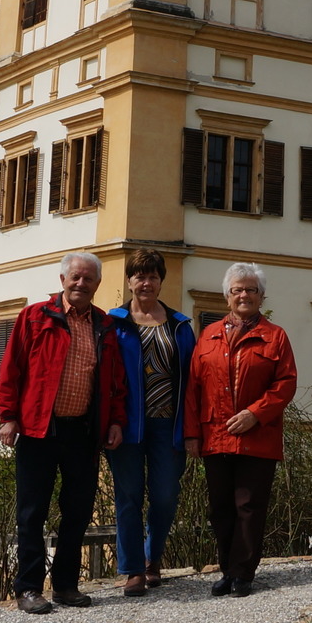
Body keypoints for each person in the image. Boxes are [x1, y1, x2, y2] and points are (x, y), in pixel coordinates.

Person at [0, 252, 128, 614]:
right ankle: (28, 589)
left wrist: (115, 421)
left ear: (97, 285)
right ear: (63, 280)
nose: (81, 284)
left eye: (88, 279)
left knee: (77, 511)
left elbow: (115, 382)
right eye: (75, 278)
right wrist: (8, 416)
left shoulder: (104, 326)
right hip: (39, 429)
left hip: (83, 431)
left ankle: (66, 586)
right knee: (31, 512)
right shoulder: (35, 317)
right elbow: (11, 369)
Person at [184, 262, 297, 597]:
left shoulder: (275, 337)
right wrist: (192, 433)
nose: (244, 295)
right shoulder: (208, 336)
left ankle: (243, 572)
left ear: (261, 296)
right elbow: (193, 389)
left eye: (250, 289)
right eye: (237, 290)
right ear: (227, 296)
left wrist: (254, 413)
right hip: (215, 435)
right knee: (220, 507)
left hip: (257, 436)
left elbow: (286, 383)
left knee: (249, 506)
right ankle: (226, 569)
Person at [106, 248, 195, 597]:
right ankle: (132, 570)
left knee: (165, 496)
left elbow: (193, 381)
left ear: (161, 281)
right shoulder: (113, 324)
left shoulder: (180, 326)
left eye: (153, 276)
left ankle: (152, 558)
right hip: (126, 426)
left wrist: (191, 430)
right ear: (129, 281)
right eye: (140, 275)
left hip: (168, 425)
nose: (146, 282)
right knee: (128, 497)